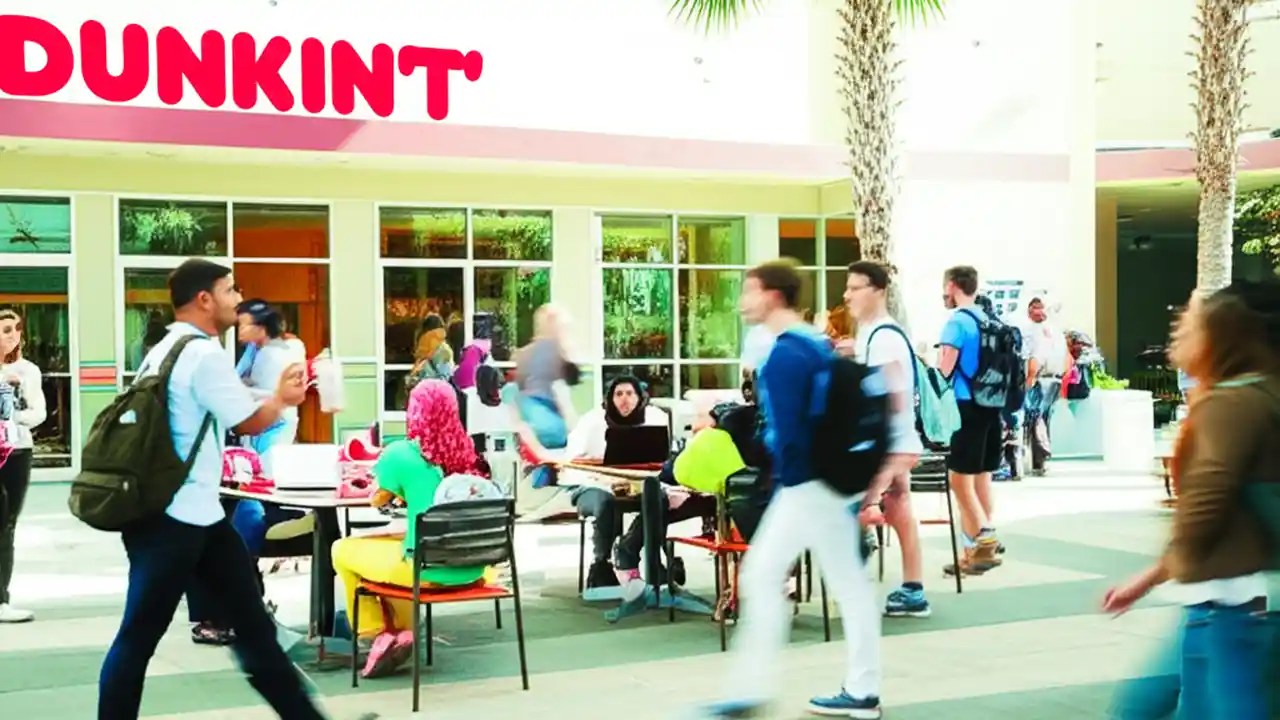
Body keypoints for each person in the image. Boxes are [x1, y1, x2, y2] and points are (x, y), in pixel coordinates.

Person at [96, 259, 333, 719]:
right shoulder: (203, 354)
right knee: (138, 637)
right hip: (175, 523)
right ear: (204, 299)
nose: (237, 299)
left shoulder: (164, 348)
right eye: (230, 290)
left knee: (253, 632)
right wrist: (283, 399)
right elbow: (247, 419)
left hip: (196, 519)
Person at [696, 259, 883, 719]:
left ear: (772, 295)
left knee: (761, 575)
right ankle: (861, 690)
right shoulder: (814, 344)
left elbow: (789, 433)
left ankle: (750, 691)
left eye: (749, 291)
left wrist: (784, 480)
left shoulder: (784, 355)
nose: (742, 302)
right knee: (849, 584)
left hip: (806, 485)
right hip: (830, 482)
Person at [1105, 281, 1280, 719]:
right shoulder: (1250, 395)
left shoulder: (1233, 402)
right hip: (1226, 600)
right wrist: (1152, 577)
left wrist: (1179, 564)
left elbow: (1208, 498)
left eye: (1192, 323)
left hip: (1235, 602)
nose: (1179, 332)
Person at [332, 379, 497, 679]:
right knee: (400, 545)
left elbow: (376, 499)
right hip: (474, 567)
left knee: (343, 549)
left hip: (426, 570)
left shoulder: (402, 454)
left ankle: (375, 632)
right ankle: (404, 632)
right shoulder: (468, 452)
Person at [187, 299, 309, 646]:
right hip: (239, 453)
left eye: (245, 325)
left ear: (262, 325)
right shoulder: (256, 353)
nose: (239, 331)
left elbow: (261, 398)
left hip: (260, 443)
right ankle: (238, 606)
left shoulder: (276, 354)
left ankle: (236, 607)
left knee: (243, 517)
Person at [840, 262, 927, 618]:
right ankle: (913, 588)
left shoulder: (884, 336)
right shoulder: (875, 334)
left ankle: (854, 593)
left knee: (854, 510)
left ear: (877, 290)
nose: (847, 295)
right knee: (898, 507)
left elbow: (889, 394)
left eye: (855, 287)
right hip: (897, 441)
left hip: (890, 445)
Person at [936, 265, 1002, 575]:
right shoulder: (991, 319)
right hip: (993, 405)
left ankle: (985, 538)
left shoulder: (957, 323)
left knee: (959, 480)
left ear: (952, 286)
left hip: (965, 405)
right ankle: (972, 555)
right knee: (981, 478)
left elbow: (945, 368)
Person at [0, 309, 47, 624]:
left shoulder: (28, 370)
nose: (12, 334)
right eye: (5, 329)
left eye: (16, 328)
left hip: (17, 451)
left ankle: (2, 599)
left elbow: (39, 412)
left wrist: (12, 418)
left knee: (7, 525)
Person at [1018, 297, 1068, 476]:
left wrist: (1029, 380)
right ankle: (1040, 460)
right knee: (1043, 419)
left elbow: (1036, 358)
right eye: (1034, 308)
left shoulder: (1038, 332)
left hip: (1042, 379)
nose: (1037, 311)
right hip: (1054, 379)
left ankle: (1040, 459)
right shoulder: (1055, 330)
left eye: (1039, 308)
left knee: (1036, 418)